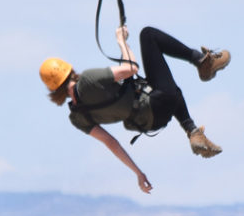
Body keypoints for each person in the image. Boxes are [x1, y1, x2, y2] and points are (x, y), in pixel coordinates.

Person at [40, 25, 230, 194]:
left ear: (53, 88)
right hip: (156, 101)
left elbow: (111, 142)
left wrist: (138, 173)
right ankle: (202, 61)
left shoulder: (76, 117)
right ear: (68, 69)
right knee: (148, 35)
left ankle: (193, 132)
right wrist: (122, 41)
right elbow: (131, 68)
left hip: (152, 122)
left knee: (173, 91)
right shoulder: (87, 80)